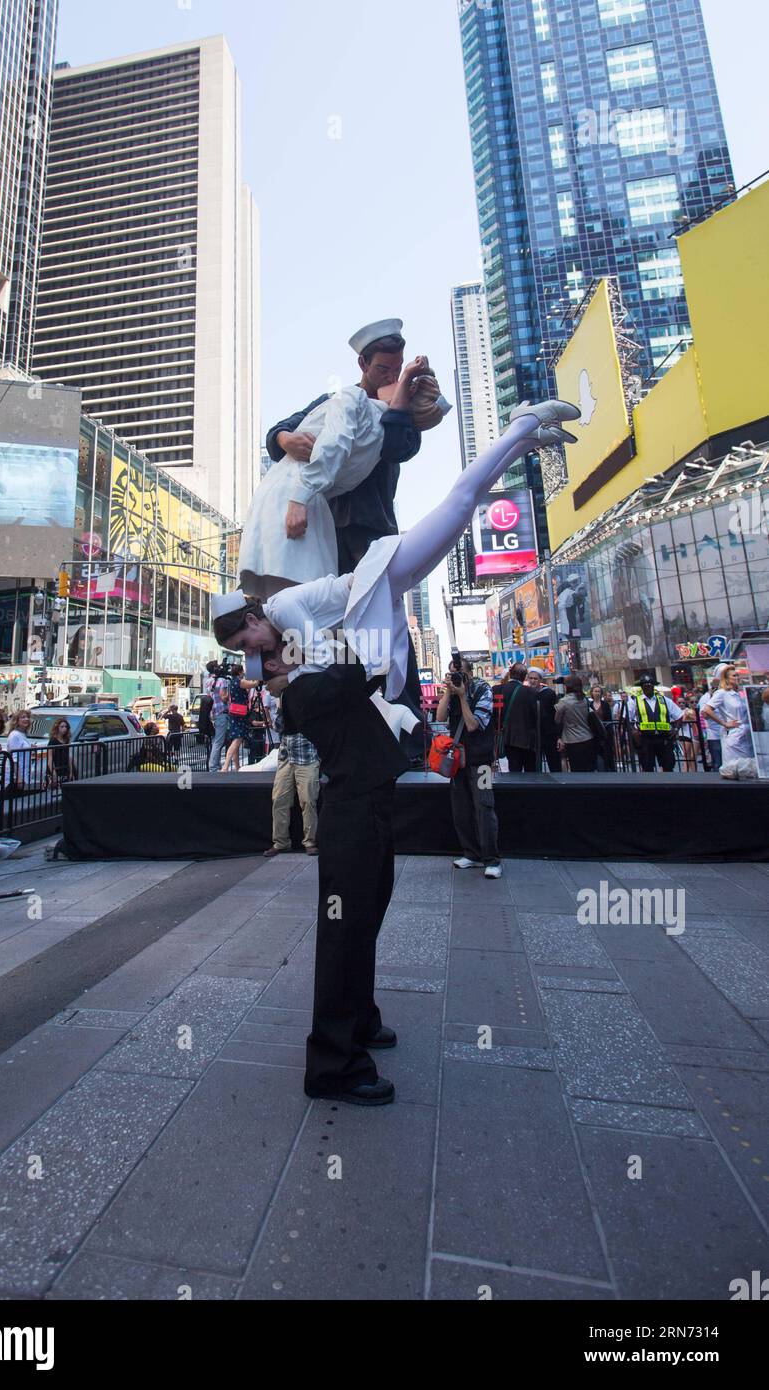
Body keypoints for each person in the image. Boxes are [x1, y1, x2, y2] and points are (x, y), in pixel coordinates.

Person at [212, 395, 580, 1106]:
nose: (250, 650)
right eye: (240, 650)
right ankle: (333, 1064)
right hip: (349, 803)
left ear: (257, 619)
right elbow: (357, 668)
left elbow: (342, 619)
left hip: (367, 756)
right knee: (344, 926)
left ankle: (363, 1020)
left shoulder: (297, 638)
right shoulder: (302, 688)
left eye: (246, 637)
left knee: (366, 914)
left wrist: (358, 594)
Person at [241, 358, 449, 599]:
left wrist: (402, 396)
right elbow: (285, 431)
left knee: (368, 604)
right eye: (385, 368)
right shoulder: (344, 398)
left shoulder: (402, 424)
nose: (394, 376)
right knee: (309, 599)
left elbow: (394, 445)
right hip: (320, 516)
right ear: (363, 364)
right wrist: (283, 438)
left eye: (398, 369)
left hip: (368, 529)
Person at [436, 662, 501, 878]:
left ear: (469, 672)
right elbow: (439, 717)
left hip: (481, 760)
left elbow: (473, 725)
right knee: (461, 808)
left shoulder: (483, 689)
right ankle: (471, 853)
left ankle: (491, 858)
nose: (455, 677)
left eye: (458, 673)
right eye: (451, 673)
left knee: (484, 806)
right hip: (458, 761)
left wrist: (463, 697)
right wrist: (448, 691)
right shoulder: (452, 692)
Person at [266, 728, 320, 858]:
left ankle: (310, 841)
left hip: (307, 757)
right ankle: (281, 842)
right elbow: (277, 726)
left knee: (308, 800)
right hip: (287, 758)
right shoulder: (284, 708)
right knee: (279, 799)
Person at [626, 675, 683, 773]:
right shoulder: (635, 701)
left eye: (650, 685)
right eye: (645, 685)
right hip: (645, 738)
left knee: (668, 765)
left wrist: (676, 730)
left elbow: (679, 715)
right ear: (641, 687)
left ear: (653, 686)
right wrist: (633, 731)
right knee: (647, 766)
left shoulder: (664, 700)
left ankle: (668, 786)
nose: (648, 687)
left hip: (664, 738)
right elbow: (625, 718)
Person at [704, 664, 753, 764]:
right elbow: (707, 709)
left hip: (747, 733)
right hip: (734, 734)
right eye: (734, 676)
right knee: (735, 765)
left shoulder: (741, 693)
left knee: (749, 765)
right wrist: (724, 723)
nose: (737, 677)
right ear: (726, 678)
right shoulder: (722, 693)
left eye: (737, 675)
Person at [494, 664, 538, 772]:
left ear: (511, 674)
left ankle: (515, 789)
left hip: (506, 738)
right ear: (524, 677)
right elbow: (535, 716)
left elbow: (494, 714)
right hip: (527, 739)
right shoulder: (530, 692)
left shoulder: (497, 690)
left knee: (513, 769)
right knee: (530, 772)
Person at [555, 676, 598, 772]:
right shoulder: (584, 700)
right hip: (588, 737)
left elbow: (557, 719)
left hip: (572, 740)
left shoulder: (564, 702)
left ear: (567, 687)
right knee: (589, 769)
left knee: (577, 770)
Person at [221, 665, 256, 773]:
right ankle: (225, 766)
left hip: (234, 712)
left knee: (236, 739)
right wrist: (258, 676)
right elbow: (255, 684)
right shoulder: (240, 681)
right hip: (240, 713)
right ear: (240, 672)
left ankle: (237, 767)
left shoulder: (232, 682)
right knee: (238, 739)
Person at [526, 669, 561, 772]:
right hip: (533, 735)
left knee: (554, 763)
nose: (532, 681)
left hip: (549, 734)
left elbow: (556, 715)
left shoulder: (549, 693)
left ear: (540, 680)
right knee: (533, 765)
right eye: (531, 678)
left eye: (535, 678)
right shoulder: (526, 693)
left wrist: (558, 735)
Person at [6, 710, 44, 794]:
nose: (26, 719)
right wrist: (19, 778)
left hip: (24, 774)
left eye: (27, 717)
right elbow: (14, 758)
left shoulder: (22, 734)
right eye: (23, 717)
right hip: (17, 777)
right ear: (17, 721)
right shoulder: (15, 735)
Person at [204, 661, 231, 773]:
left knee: (217, 740)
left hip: (213, 713)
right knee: (218, 741)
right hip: (222, 712)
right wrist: (231, 691)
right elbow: (224, 698)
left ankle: (215, 765)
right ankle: (214, 767)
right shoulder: (222, 681)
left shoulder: (208, 682)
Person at [698, 677, 723, 771]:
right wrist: (712, 699)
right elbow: (705, 716)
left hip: (726, 733)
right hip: (714, 734)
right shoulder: (705, 698)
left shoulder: (724, 695)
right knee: (718, 762)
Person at [589, 683, 615, 771]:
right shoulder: (589, 705)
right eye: (595, 691)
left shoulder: (605, 705)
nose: (597, 693)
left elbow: (609, 719)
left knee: (607, 754)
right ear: (592, 693)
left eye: (599, 691)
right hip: (593, 735)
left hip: (605, 733)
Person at [46, 717, 76, 789]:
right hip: (56, 768)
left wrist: (71, 771)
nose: (64, 729)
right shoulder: (53, 740)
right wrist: (53, 772)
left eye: (66, 727)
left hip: (64, 769)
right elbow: (50, 757)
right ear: (57, 728)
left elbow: (69, 756)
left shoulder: (66, 740)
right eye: (62, 727)